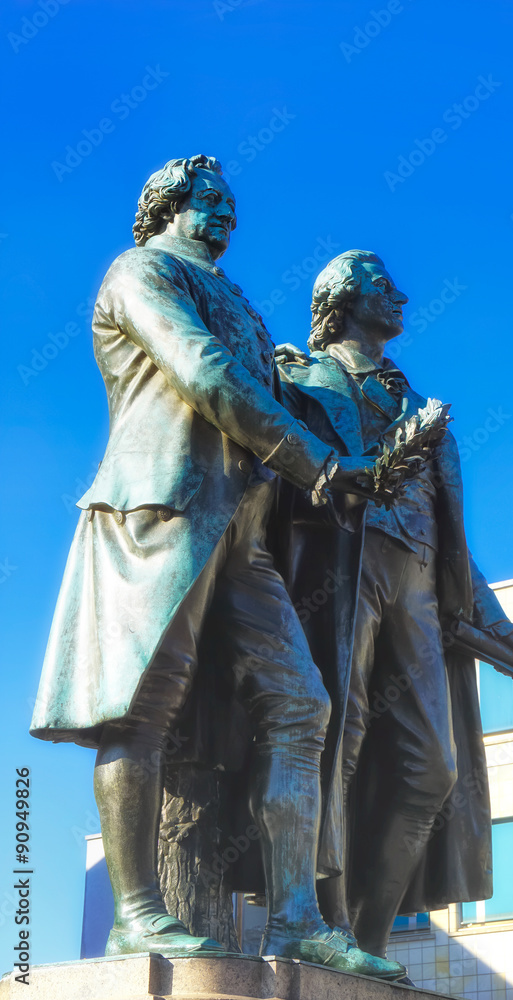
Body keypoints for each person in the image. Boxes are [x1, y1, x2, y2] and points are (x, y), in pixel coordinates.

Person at [29, 166, 405, 979]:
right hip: (159, 508)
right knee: (141, 710)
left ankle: (296, 919)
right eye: (210, 199)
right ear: (166, 208)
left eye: (233, 201)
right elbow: (204, 373)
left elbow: (265, 388)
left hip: (241, 529)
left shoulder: (236, 297)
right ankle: (137, 916)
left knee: (301, 705)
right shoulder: (142, 272)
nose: (227, 211)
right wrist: (318, 462)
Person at [276, 249, 513, 963]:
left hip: (415, 585)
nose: (401, 296)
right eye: (383, 286)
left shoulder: (424, 410)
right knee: (333, 752)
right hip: (334, 577)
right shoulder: (301, 377)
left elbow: (454, 539)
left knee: (429, 768)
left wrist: (507, 636)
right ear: (342, 299)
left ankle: (370, 937)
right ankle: (322, 931)